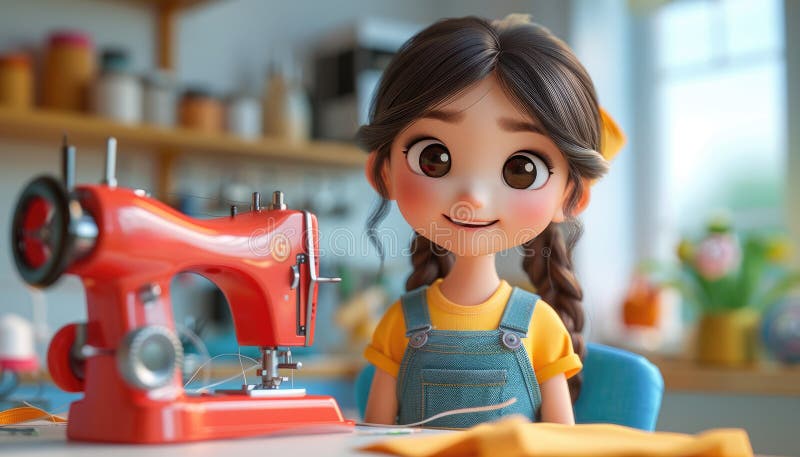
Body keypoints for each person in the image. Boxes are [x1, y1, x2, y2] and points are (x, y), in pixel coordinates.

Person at [358, 14, 625, 428]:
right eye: (435, 158)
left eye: (522, 169)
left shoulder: (539, 324)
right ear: (384, 172)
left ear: (572, 196)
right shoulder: (400, 322)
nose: (474, 198)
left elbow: (560, 441)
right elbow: (373, 433)